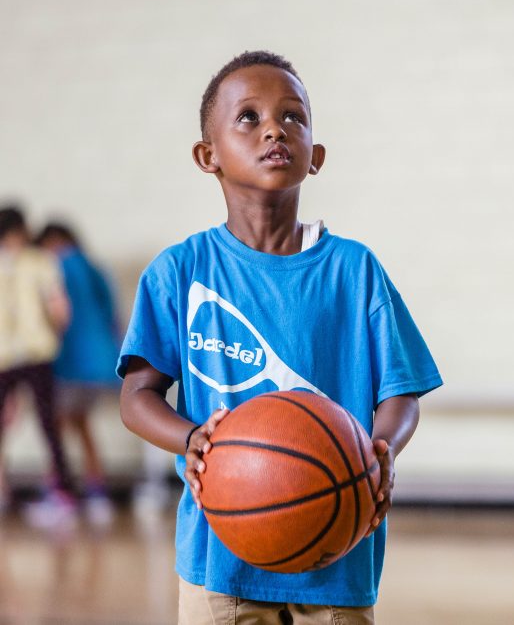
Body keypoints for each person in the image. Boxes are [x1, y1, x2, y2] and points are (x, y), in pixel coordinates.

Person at [118, 51, 442, 624]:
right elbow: (137, 397)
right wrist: (191, 438)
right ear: (207, 155)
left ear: (315, 156)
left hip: (338, 547)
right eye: (249, 117)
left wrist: (379, 451)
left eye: (293, 116)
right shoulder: (179, 271)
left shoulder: (355, 270)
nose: (274, 128)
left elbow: (401, 393)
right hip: (222, 556)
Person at [36, 222, 121, 526]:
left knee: (54, 427)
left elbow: (54, 316)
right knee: (80, 423)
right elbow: (112, 313)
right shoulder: (93, 266)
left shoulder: (54, 266)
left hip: (71, 364)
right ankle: (97, 491)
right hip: (102, 363)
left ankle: (59, 492)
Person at [0, 206, 78, 525]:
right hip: (4, 355)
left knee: (49, 422)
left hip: (36, 352)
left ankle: (62, 489)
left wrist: (57, 321)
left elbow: (58, 306)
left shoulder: (40, 261)